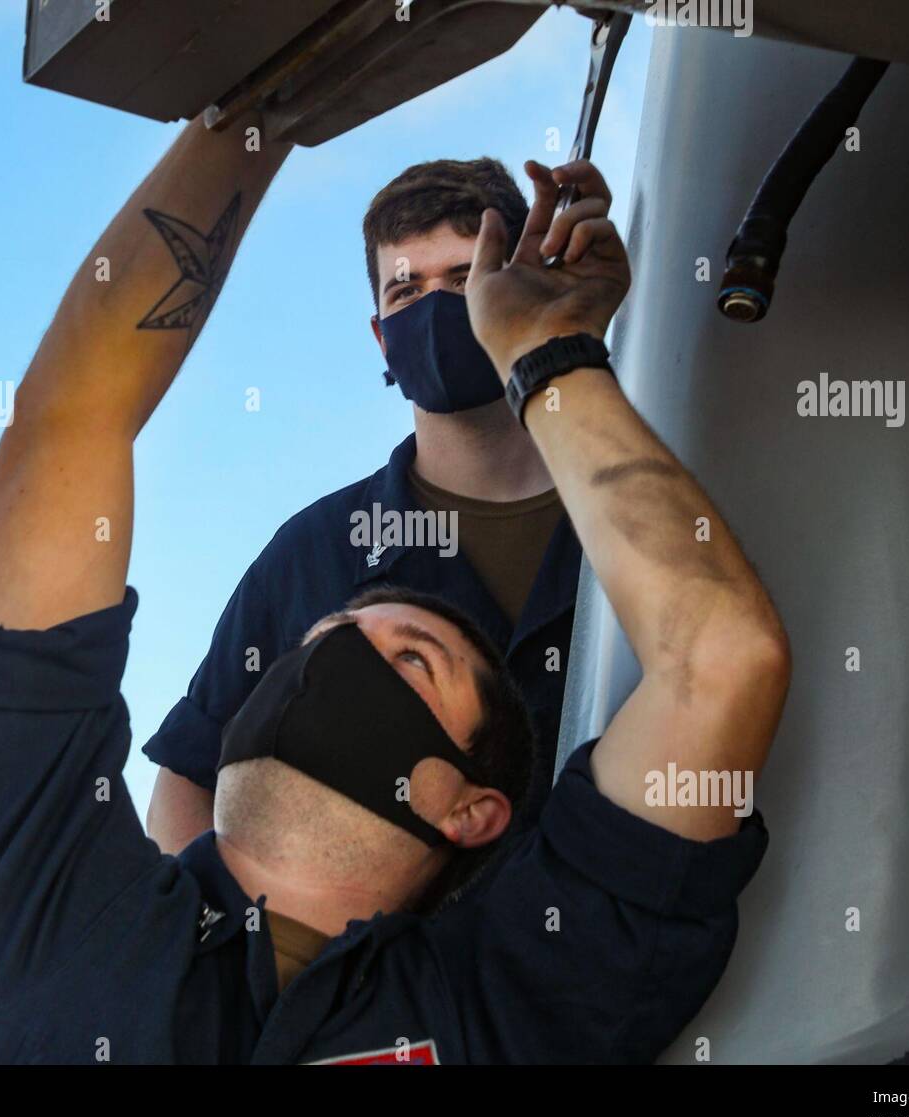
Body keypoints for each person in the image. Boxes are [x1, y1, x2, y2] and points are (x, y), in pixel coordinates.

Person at [0, 112, 791, 1062]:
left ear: (471, 810)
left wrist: (551, 350)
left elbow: (720, 664)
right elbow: (67, 426)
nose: (337, 650)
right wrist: (257, 108)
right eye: (319, 641)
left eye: (410, 656)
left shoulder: (498, 1002)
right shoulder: (25, 904)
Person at [143, 131, 582, 856]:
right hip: (386, 967)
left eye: (466, 277)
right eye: (408, 290)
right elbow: (188, 777)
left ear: (520, 288)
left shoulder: (621, 503)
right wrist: (239, 951)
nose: (438, 309)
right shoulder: (310, 554)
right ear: (382, 337)